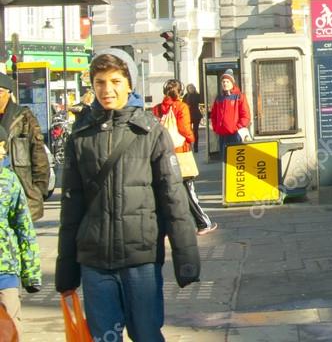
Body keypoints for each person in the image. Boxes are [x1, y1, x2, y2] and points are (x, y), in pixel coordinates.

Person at [56, 53, 200, 341]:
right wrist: (66, 268)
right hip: (95, 261)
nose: (107, 90)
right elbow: (71, 207)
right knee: (104, 337)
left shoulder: (150, 131)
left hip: (140, 259)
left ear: (129, 84)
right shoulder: (80, 135)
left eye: (115, 81)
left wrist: (187, 257)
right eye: (99, 82)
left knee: (146, 334)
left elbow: (173, 199)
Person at [155, 80, 217, 236]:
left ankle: (165, 228)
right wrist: (191, 139)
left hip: (163, 152)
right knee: (188, 189)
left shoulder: (157, 109)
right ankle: (202, 222)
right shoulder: (182, 107)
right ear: (180, 92)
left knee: (166, 190)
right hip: (180, 152)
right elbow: (184, 129)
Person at [0, 124, 42, 339]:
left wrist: (31, 273)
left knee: (9, 329)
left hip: (5, 272)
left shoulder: (10, 181)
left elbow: (24, 227)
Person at [0, 73, 48, 221]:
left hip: (20, 196)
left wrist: (37, 192)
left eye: (0, 92)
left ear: (9, 93)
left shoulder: (24, 118)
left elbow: (39, 156)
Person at [209, 70, 251, 146]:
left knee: (234, 157)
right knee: (224, 156)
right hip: (222, 135)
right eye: (223, 82)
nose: (225, 83)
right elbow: (213, 115)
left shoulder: (239, 97)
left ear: (232, 83)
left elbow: (246, 116)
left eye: (227, 81)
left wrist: (236, 128)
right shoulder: (219, 98)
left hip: (235, 135)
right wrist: (216, 128)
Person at [183, 84, 204, 151]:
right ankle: (189, 145)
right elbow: (183, 104)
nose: (191, 89)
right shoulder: (186, 96)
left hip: (196, 115)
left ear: (194, 88)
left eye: (192, 88)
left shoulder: (197, 95)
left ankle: (195, 146)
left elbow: (201, 100)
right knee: (188, 131)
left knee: (195, 131)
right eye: (189, 88)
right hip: (188, 115)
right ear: (187, 89)